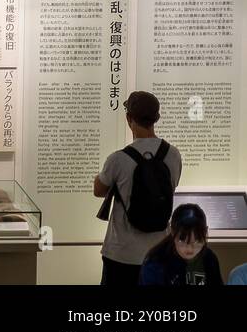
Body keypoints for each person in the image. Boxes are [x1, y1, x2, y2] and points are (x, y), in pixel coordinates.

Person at [93, 91, 182, 286]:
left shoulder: (117, 159)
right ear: (156, 118)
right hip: (159, 251)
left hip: (121, 253)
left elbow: (99, 190)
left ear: (129, 118)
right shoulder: (173, 155)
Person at [140, 204, 223, 285]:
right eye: (182, 241)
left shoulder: (209, 258)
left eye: (197, 241)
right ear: (172, 232)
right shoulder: (155, 263)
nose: (190, 248)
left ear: (205, 232)